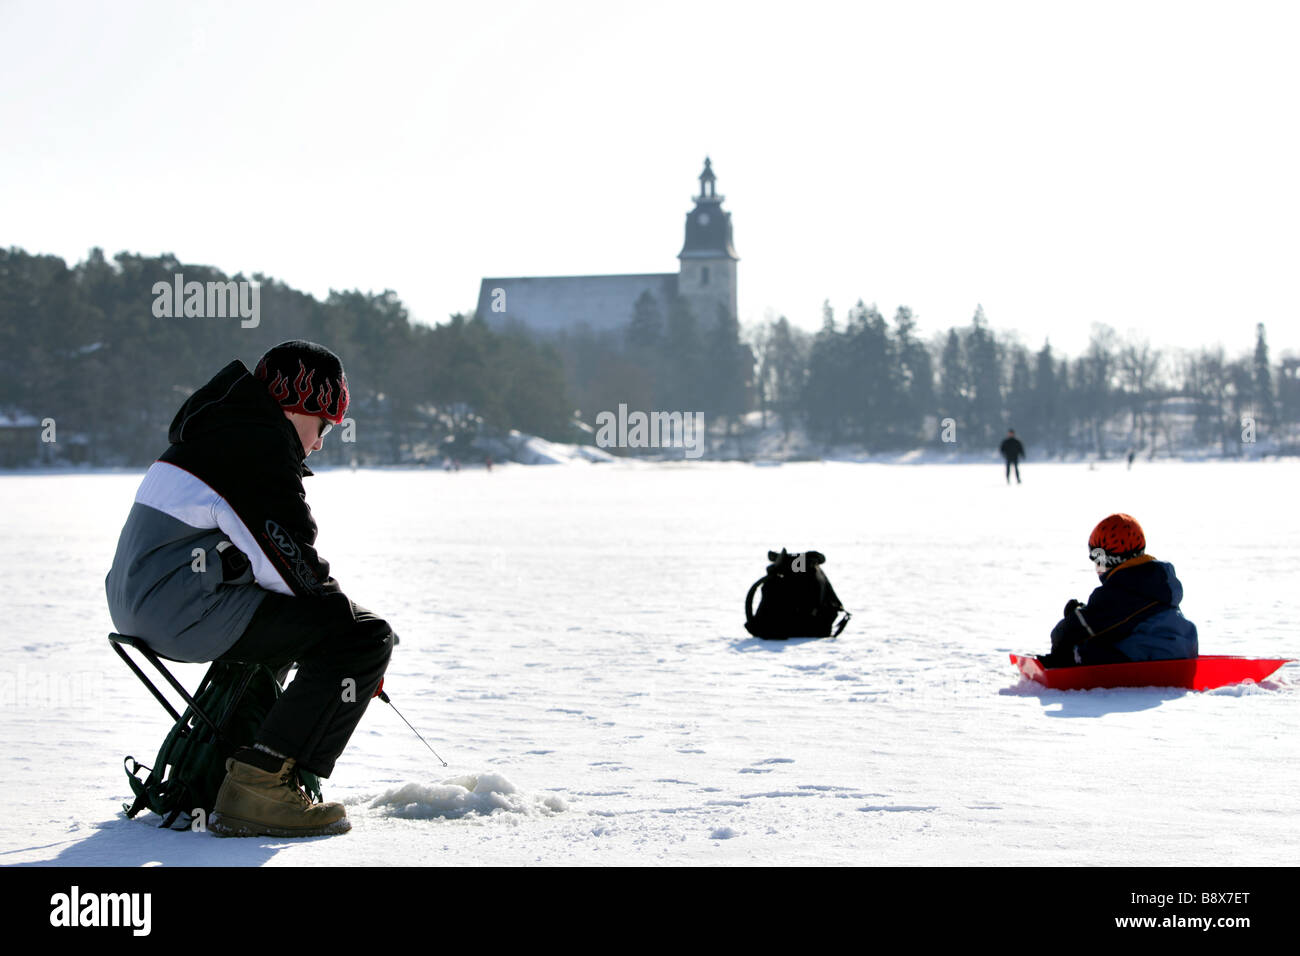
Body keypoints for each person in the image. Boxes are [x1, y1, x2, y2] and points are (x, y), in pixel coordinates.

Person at [105, 340, 394, 837]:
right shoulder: (254, 448)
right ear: (300, 406)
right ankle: (260, 788)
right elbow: (293, 568)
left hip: (149, 601)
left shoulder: (221, 432)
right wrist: (357, 657)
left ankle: (235, 770)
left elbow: (275, 567)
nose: (322, 442)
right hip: (177, 609)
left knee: (326, 629)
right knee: (366, 636)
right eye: (323, 425)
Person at [1041, 513, 1198, 667]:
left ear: (1108, 558)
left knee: (1083, 652)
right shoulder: (1155, 580)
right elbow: (1113, 619)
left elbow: (1067, 632)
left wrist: (1073, 624)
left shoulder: (1123, 587)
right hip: (1180, 650)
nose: (1096, 566)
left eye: (1096, 558)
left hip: (1155, 659)